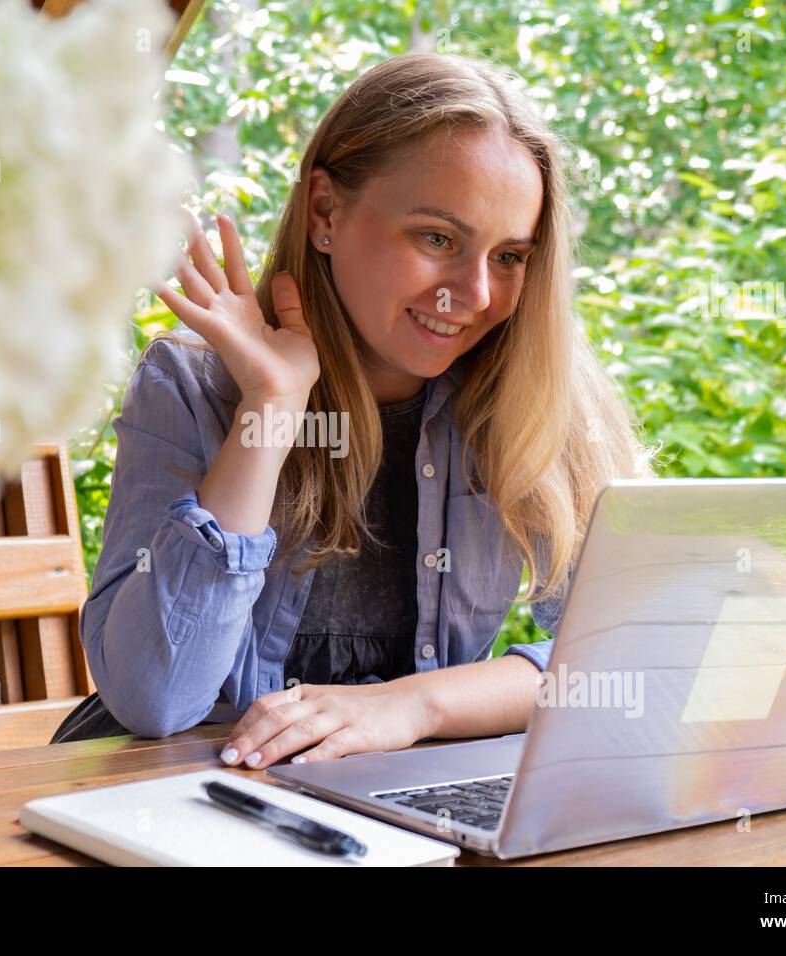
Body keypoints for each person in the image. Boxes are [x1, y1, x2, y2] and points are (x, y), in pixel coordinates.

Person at [50, 51, 653, 770]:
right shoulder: (192, 382)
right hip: (186, 791)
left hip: (398, 789)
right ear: (326, 213)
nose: (478, 294)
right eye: (438, 239)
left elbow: (631, 657)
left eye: (509, 257)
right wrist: (272, 406)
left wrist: (416, 705)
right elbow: (158, 701)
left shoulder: (531, 388)